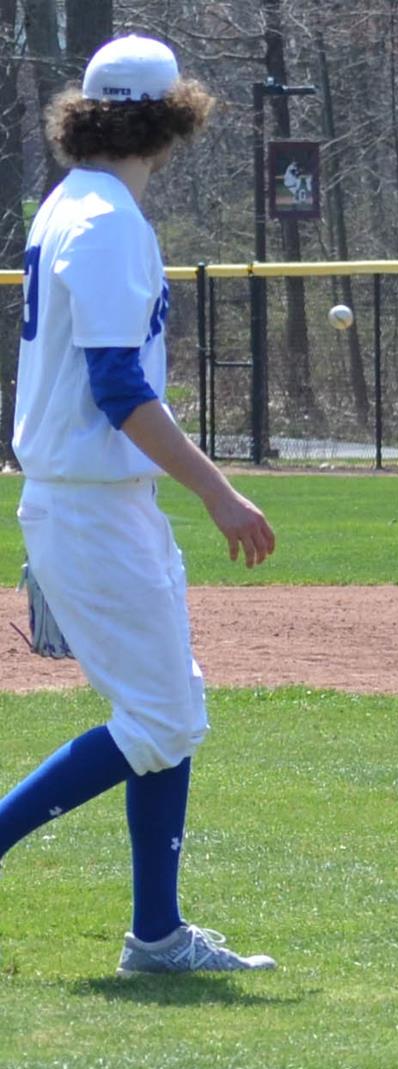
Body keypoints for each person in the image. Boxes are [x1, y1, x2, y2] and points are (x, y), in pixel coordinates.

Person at [1, 34, 279, 974]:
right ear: (170, 119)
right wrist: (221, 494)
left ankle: (156, 937)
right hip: (90, 502)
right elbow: (119, 388)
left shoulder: (69, 204)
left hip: (87, 497)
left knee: (169, 710)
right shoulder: (110, 218)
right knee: (160, 721)